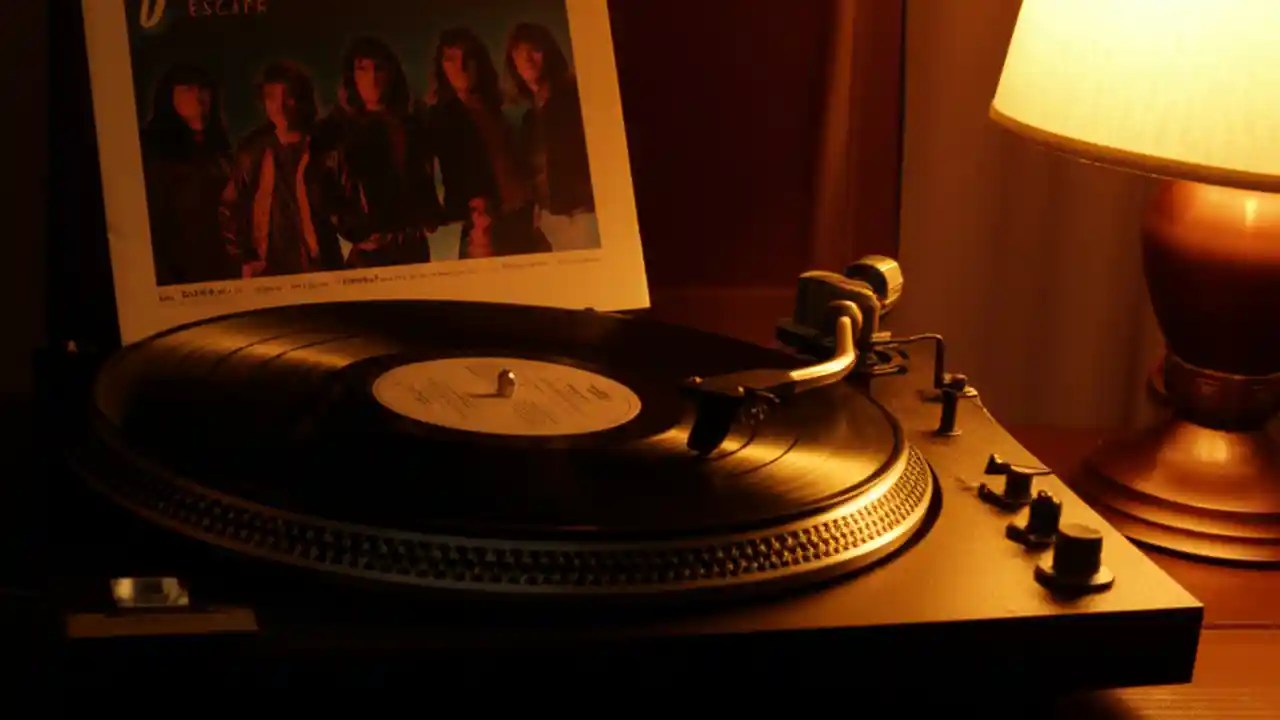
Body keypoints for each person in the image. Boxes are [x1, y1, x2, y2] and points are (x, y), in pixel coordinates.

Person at [313, 36, 441, 268]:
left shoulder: (410, 125)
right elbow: (323, 190)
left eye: (378, 69)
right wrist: (355, 231)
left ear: (392, 74)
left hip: (411, 245)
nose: (371, 78)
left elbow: (422, 177)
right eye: (362, 69)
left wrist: (429, 215)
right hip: (368, 251)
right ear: (352, 76)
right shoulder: (336, 131)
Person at [424, 26, 540, 259]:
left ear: (480, 62)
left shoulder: (497, 110)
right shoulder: (439, 119)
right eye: (451, 60)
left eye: (468, 58)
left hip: (522, 219)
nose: (461, 66)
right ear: (442, 66)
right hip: (483, 228)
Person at [226, 61, 342, 278]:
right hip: (268, 268)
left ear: (301, 99)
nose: (280, 105)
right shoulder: (253, 151)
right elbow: (229, 206)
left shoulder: (324, 147)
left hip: (319, 265)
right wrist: (245, 257)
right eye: (271, 97)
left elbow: (343, 202)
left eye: (287, 95)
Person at [139, 63, 241, 285]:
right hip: (178, 275)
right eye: (187, 89)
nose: (198, 97)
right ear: (170, 96)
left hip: (222, 271)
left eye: (202, 88)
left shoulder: (219, 152)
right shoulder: (153, 152)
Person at [505, 23, 598, 253]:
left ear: (549, 51)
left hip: (582, 216)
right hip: (550, 221)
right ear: (512, 61)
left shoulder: (573, 100)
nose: (527, 57)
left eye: (534, 48)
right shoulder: (528, 118)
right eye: (519, 51)